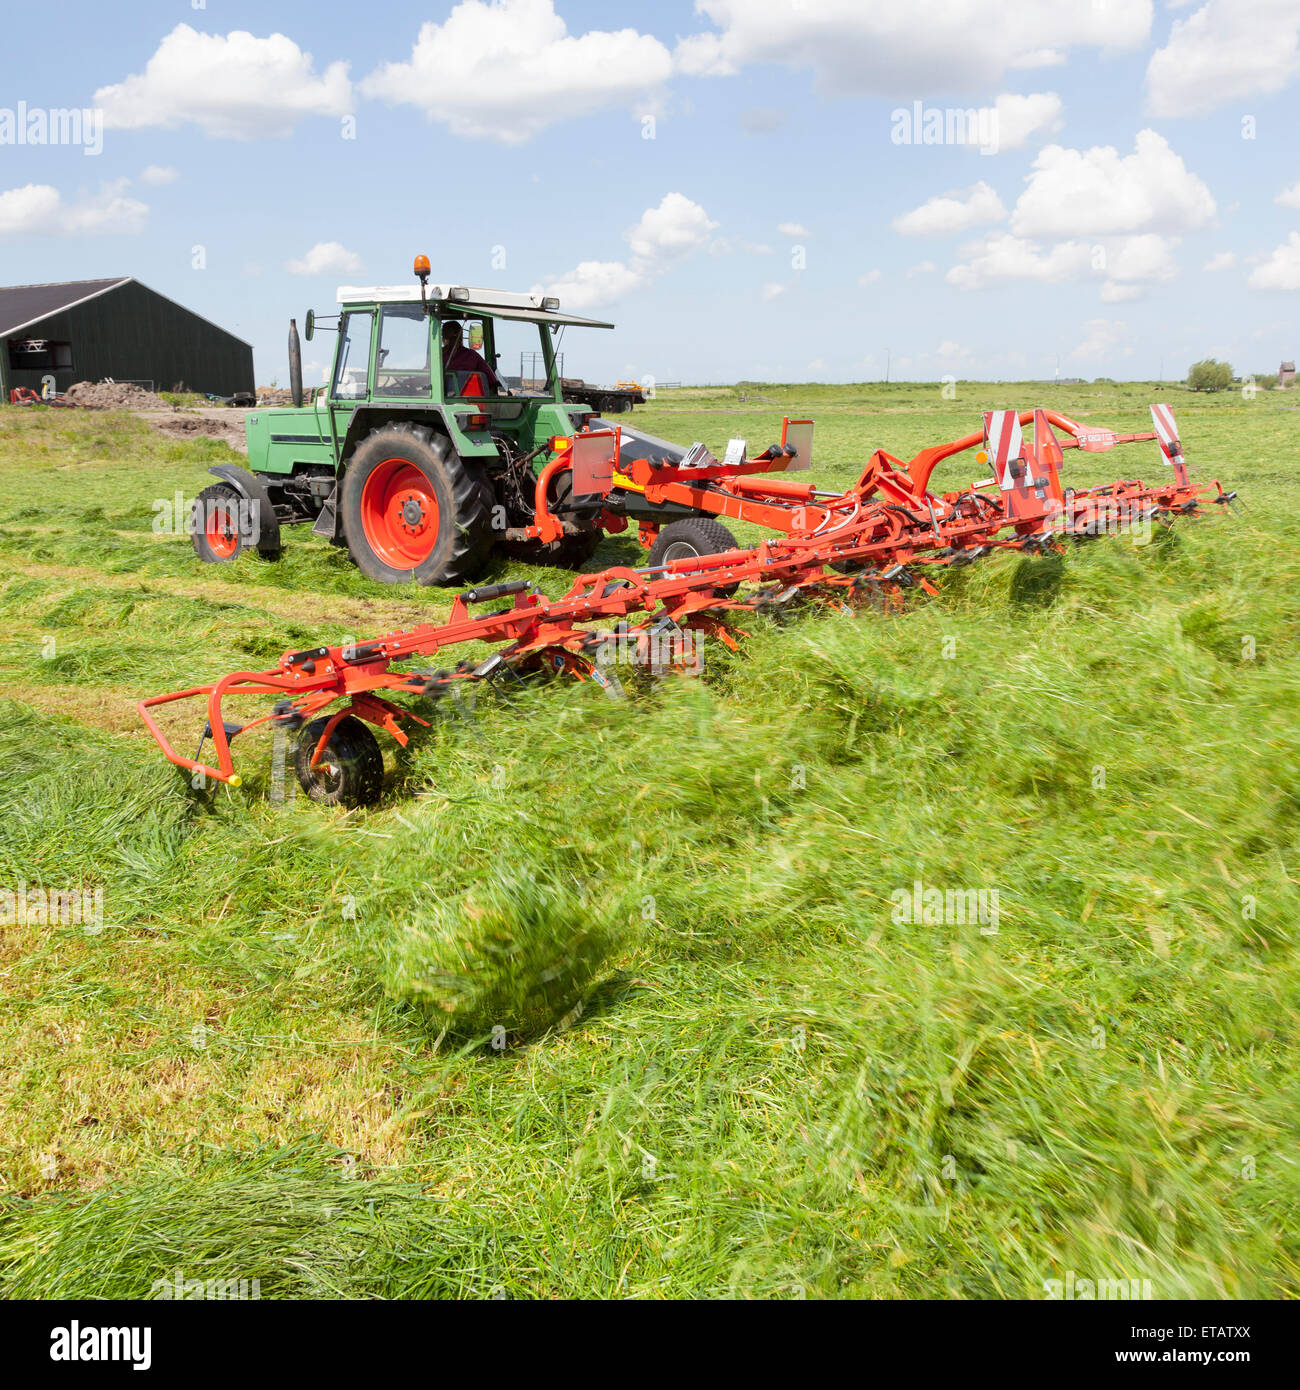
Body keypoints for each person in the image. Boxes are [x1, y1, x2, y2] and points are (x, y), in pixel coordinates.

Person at [441, 320, 501, 394]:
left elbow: (428, 376)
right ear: (461, 336)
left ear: (442, 336)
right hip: (469, 402)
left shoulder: (437, 356)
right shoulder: (472, 355)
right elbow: (492, 380)